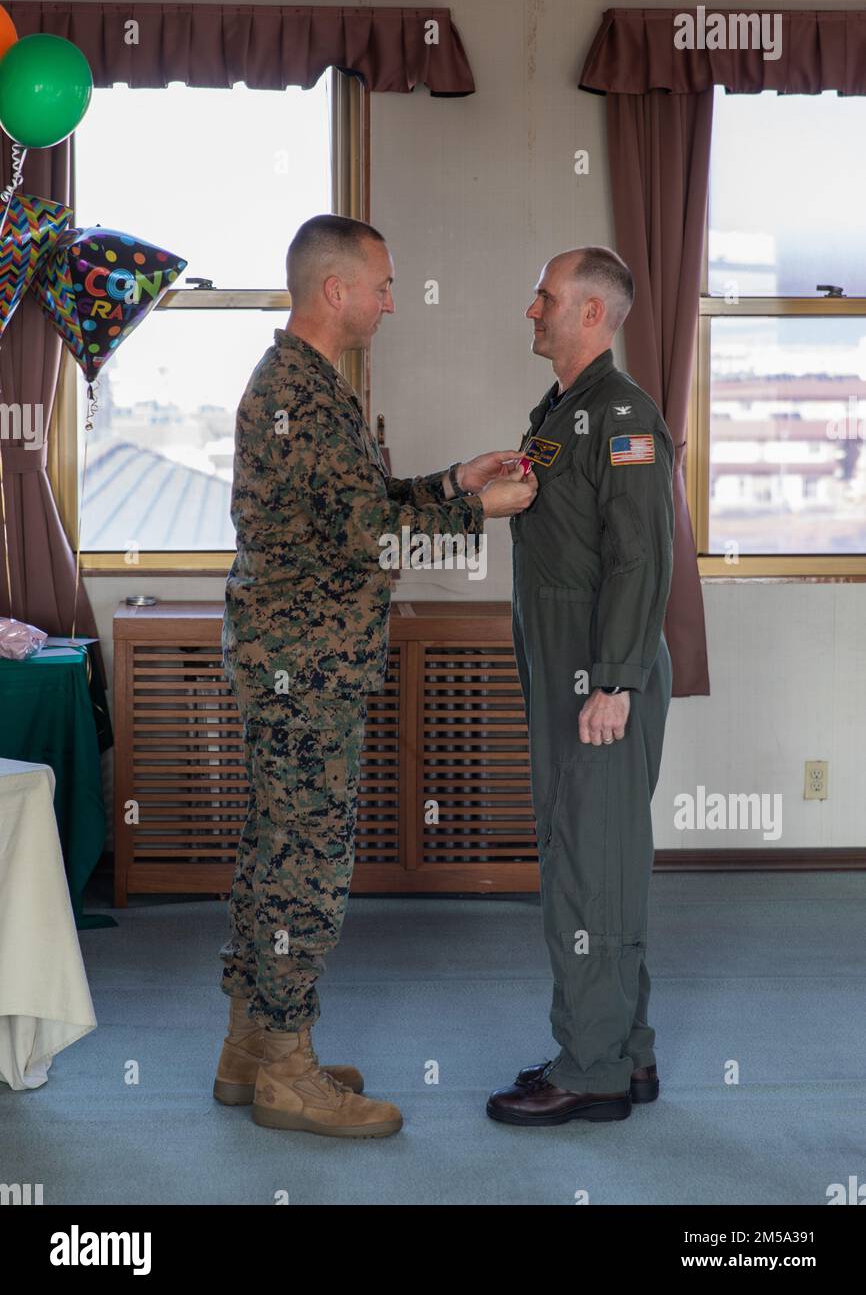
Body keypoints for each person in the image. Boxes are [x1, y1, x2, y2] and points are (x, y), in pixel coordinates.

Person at [214, 214, 537, 1139]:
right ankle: (286, 1069)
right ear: (336, 291)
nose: (393, 300)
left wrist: (449, 483)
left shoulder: (308, 385)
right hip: (302, 670)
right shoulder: (300, 394)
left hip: (299, 661)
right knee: (304, 863)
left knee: (277, 847)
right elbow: (370, 540)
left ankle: (251, 1047)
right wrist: (484, 510)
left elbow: (353, 509)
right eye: (384, 284)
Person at [486, 246, 675, 1126]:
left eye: (546, 296)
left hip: (601, 675)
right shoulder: (564, 411)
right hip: (569, 666)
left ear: (593, 313)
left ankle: (591, 1069)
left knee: (589, 870)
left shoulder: (626, 416)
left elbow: (642, 560)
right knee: (594, 857)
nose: (532, 309)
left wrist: (615, 683)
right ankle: (623, 1053)